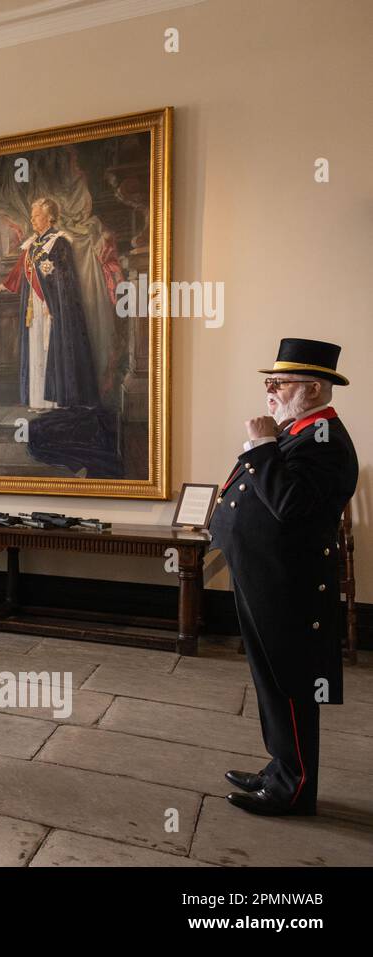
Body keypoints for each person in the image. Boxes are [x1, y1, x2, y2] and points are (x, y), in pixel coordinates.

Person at [209, 338, 357, 816]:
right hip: (266, 577)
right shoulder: (298, 430)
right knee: (270, 681)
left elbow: (290, 507)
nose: (269, 389)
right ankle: (280, 768)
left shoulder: (325, 441)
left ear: (312, 389)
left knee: (290, 684)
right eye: (269, 381)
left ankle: (292, 790)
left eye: (280, 382)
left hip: (289, 585)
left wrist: (261, 445)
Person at [0, 197, 99, 410]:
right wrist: (1, 287)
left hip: (53, 307)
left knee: (52, 347)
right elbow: (19, 273)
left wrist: (55, 302)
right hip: (33, 306)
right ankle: (39, 400)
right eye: (32, 216)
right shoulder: (32, 245)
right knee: (36, 347)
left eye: (37, 215)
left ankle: (57, 399)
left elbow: (66, 279)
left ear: (49, 217)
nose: (32, 219)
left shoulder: (59, 243)